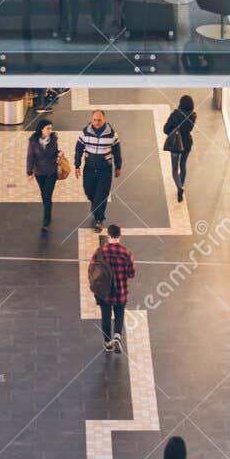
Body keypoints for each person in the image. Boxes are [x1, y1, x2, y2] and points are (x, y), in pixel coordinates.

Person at [74, 107, 122, 231]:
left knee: (101, 195)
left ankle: (99, 219)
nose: (96, 122)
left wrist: (118, 166)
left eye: (99, 120)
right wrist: (77, 165)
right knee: (89, 192)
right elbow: (78, 149)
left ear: (104, 119)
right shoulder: (85, 133)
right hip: (89, 169)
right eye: (94, 120)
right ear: (91, 119)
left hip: (105, 170)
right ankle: (95, 205)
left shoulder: (112, 134)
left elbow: (117, 152)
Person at [92, 223, 135, 353]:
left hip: (104, 292)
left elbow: (92, 270)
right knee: (119, 314)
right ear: (120, 236)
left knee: (105, 316)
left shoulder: (99, 252)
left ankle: (107, 342)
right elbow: (131, 274)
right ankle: (117, 336)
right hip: (120, 290)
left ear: (108, 235)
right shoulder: (126, 253)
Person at [26, 119, 62, 232]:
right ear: (41, 129)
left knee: (47, 195)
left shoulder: (53, 139)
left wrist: (60, 153)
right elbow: (30, 157)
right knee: (44, 194)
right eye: (48, 128)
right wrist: (29, 172)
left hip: (51, 172)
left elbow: (55, 152)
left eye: (51, 128)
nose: (50, 130)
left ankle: (46, 221)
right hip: (40, 173)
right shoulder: (33, 141)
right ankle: (47, 212)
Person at [163, 95, 196, 201]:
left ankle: (179, 187)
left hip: (175, 144)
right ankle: (181, 187)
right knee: (183, 165)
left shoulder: (175, 115)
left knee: (174, 169)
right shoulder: (193, 116)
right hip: (187, 143)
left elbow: (166, 129)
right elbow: (189, 129)